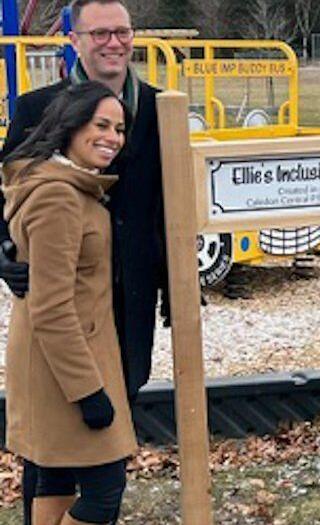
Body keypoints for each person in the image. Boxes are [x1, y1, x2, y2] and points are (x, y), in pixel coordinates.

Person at [0, 1, 165, 522]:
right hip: (61, 312)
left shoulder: (161, 110)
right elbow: (11, 193)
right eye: (100, 33)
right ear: (76, 39)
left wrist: (177, 292)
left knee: (95, 445)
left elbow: (168, 210)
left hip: (126, 307)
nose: (112, 43)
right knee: (57, 457)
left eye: (122, 31)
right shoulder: (35, 110)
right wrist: (5, 254)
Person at [3, 81, 138, 525]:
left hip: (57, 364)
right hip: (64, 371)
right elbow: (51, 307)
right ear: (71, 126)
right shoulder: (59, 195)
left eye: (119, 129)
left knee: (56, 477)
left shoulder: (70, 186)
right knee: (105, 489)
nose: (112, 138)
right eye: (101, 125)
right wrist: (89, 392)